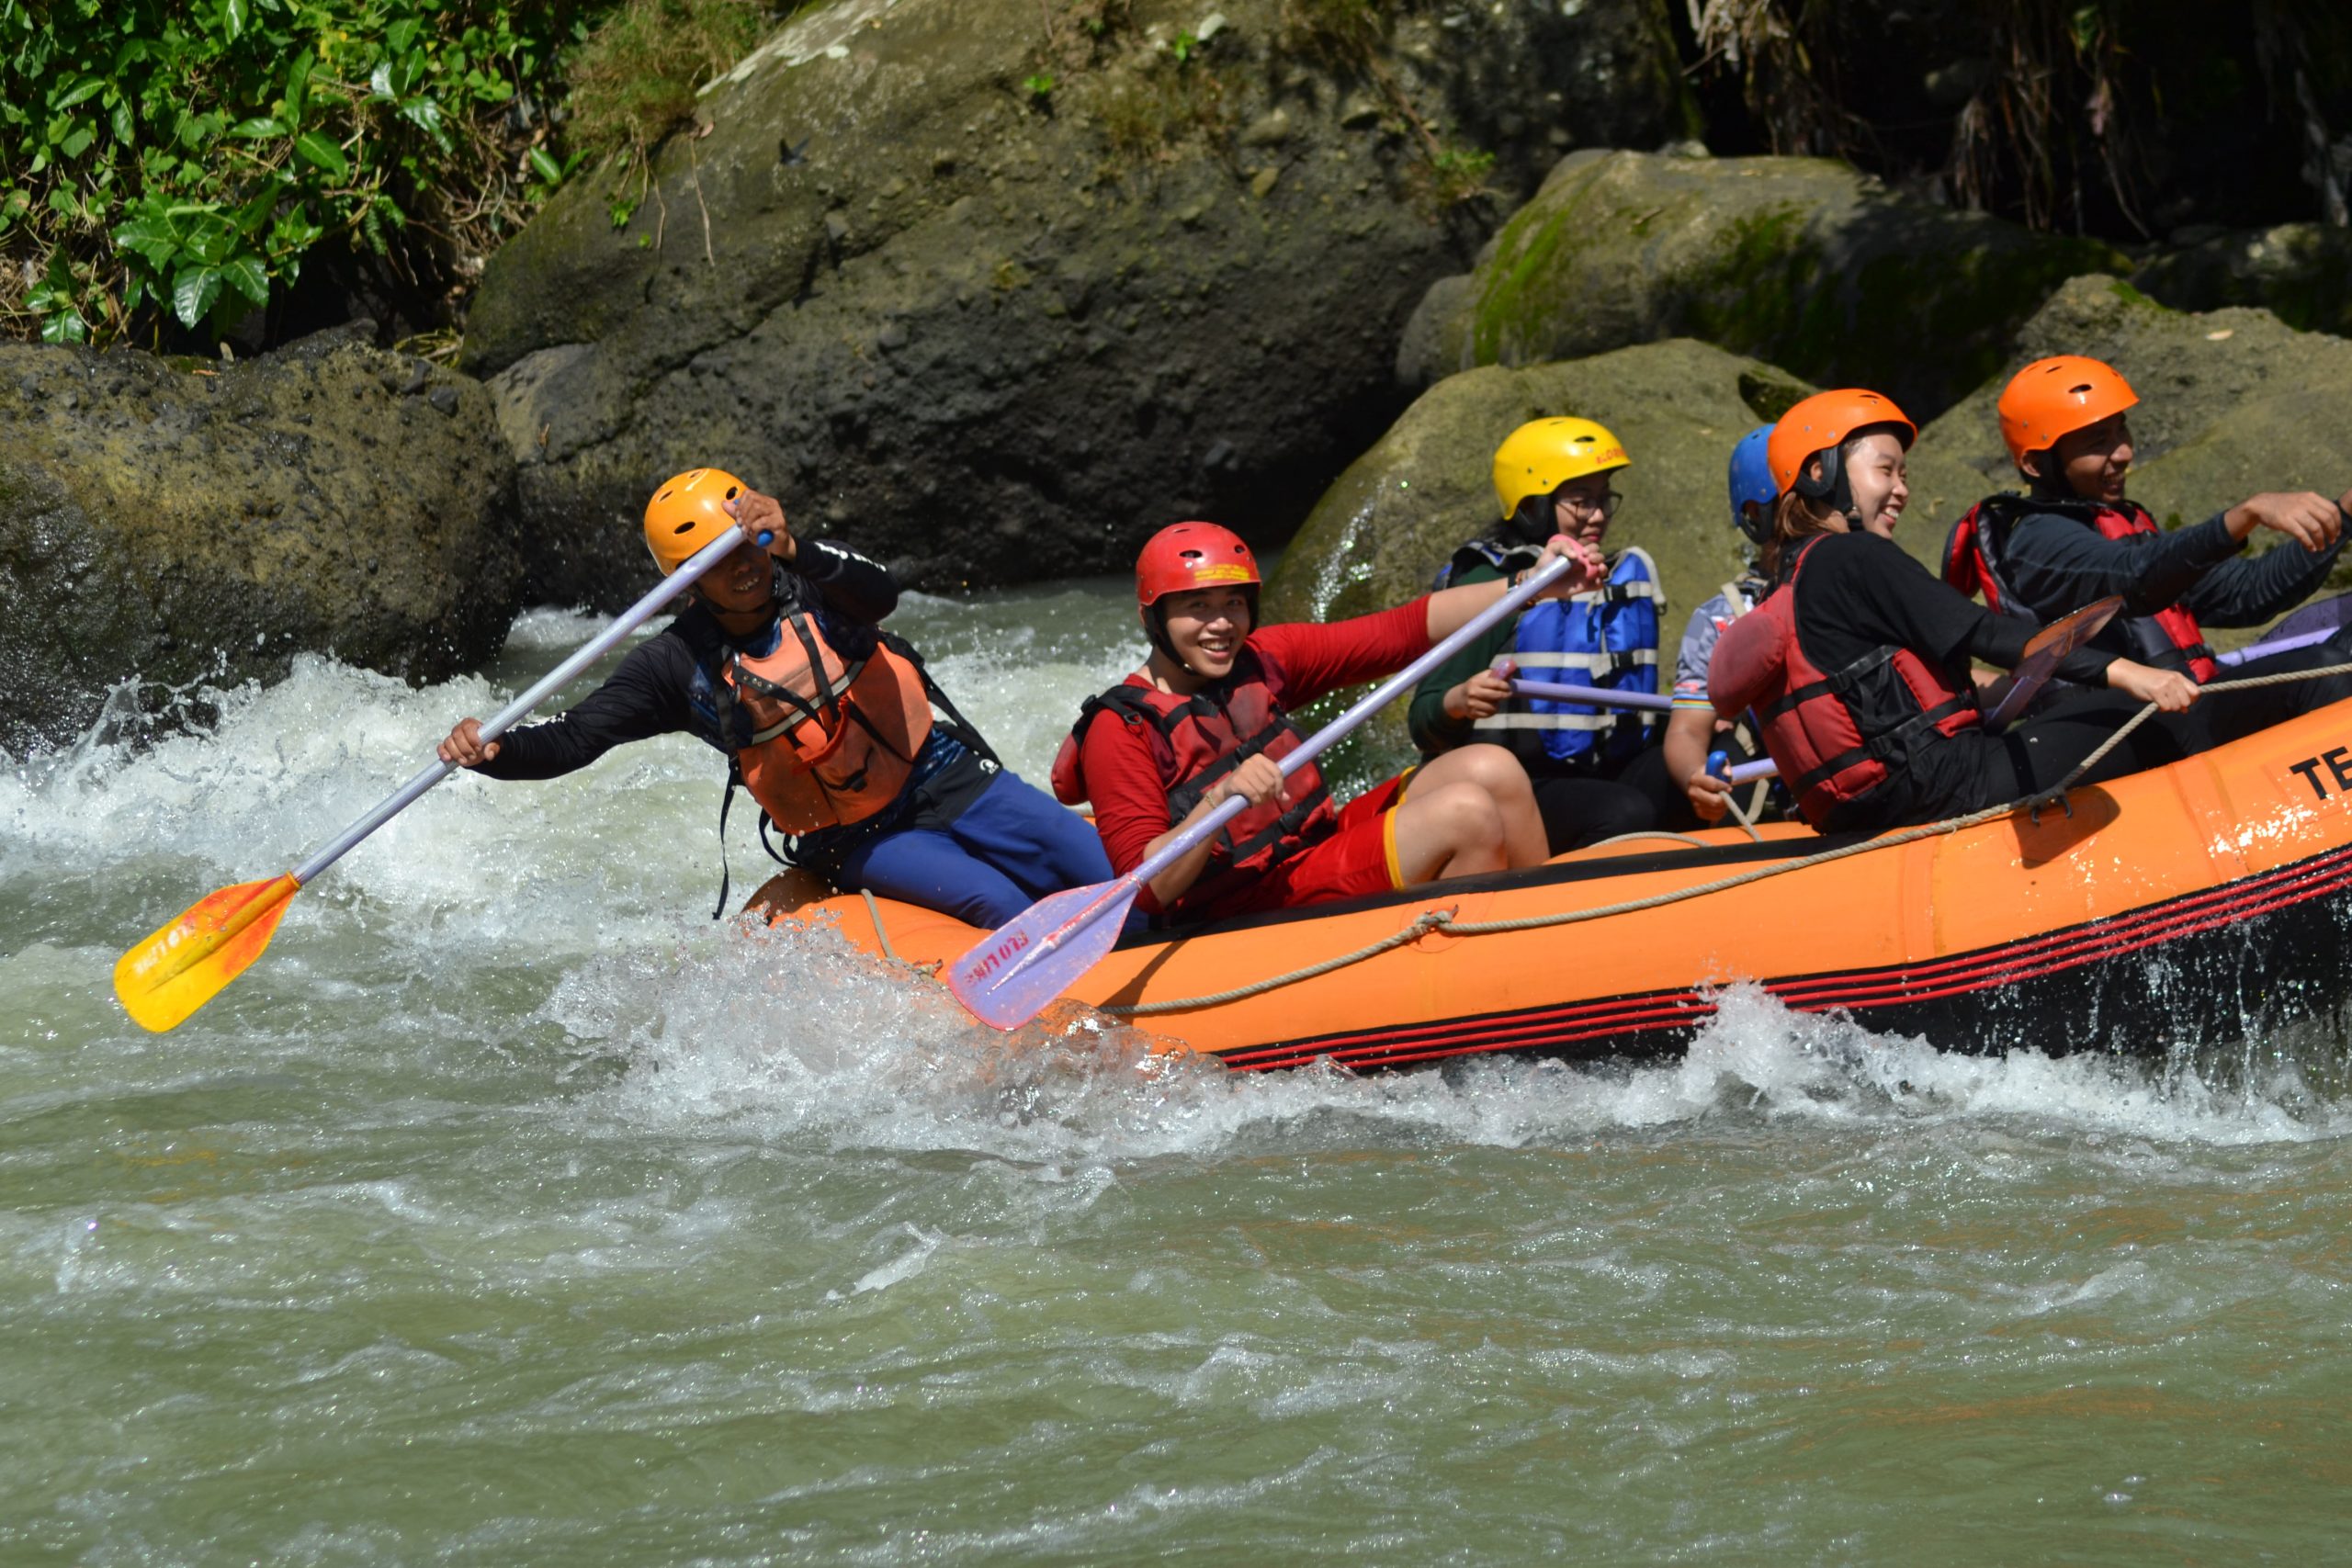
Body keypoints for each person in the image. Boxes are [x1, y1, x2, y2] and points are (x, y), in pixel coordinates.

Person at [437, 468, 1117, 927]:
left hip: (946, 772)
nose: (746, 565)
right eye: (718, 560)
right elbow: (574, 737)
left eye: (748, 545)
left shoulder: (812, 577)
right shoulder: (675, 664)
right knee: (996, 900)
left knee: (1097, 863)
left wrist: (796, 545)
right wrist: (495, 749)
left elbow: (882, 593)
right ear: (685, 582)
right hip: (857, 836)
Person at [1050, 520, 1600, 927]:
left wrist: (1534, 583)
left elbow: (1402, 630)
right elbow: (1145, 890)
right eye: (1197, 607)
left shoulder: (1262, 659)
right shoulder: (1119, 729)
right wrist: (1216, 804)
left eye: (1234, 604)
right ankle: (1493, 975)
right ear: (1153, 618)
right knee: (1466, 815)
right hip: (1242, 907)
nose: (1221, 624)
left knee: (1491, 768)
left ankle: (1547, 929)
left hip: (1314, 850)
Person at [1710, 389, 2200, 835]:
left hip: (1864, 813)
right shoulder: (1853, 555)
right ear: (1821, 473)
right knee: (2148, 716)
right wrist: (2127, 673)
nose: (1902, 489)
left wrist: (2025, 689)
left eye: (1904, 475)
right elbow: (1983, 631)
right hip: (1947, 787)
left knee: (2076, 715)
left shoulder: (1792, 581)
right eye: (1886, 471)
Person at [1943, 355, 2352, 744]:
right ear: (2036, 464)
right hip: (2125, 734)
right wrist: (2243, 516)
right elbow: (2133, 579)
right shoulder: (2037, 541)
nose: (2123, 452)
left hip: (2184, 709)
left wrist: (2343, 514)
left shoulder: (2118, 524)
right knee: (2322, 670)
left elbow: (2248, 593)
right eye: (2098, 441)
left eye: (2121, 430)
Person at [1407, 417, 1680, 850]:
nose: (1598, 515)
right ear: (1533, 506)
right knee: (1626, 814)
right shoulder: (1490, 582)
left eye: (1603, 498)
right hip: (1519, 783)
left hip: (1602, 768)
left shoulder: (1609, 575)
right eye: (1580, 500)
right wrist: (1458, 703)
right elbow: (1423, 722)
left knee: (1690, 769)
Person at [1663, 424, 1781, 826]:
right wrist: (1695, 778)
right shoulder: (1717, 617)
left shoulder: (1864, 587)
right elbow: (1687, 732)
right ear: (1755, 517)